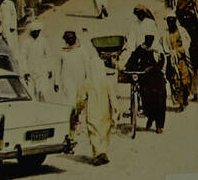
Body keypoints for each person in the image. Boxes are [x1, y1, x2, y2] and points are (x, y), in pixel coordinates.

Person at [56, 29, 112, 165]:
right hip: (67, 81)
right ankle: (70, 133)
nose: (70, 40)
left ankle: (99, 151)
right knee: (70, 107)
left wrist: (89, 79)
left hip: (81, 80)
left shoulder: (82, 50)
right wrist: (56, 82)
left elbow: (89, 66)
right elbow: (57, 67)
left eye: (71, 38)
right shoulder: (62, 52)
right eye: (67, 38)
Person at [125, 33, 168, 133]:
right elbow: (133, 59)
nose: (148, 43)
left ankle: (159, 125)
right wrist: (128, 67)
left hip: (157, 77)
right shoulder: (141, 48)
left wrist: (152, 68)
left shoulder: (158, 50)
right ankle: (150, 117)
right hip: (146, 78)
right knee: (146, 97)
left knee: (160, 100)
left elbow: (161, 64)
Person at [175, 0, 198, 104]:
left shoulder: (197, 19)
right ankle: (195, 93)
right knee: (192, 72)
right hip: (190, 47)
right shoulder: (184, 26)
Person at [18, 18, 55, 102]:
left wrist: (49, 69)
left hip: (42, 70)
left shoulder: (43, 41)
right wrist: (25, 71)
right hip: (30, 70)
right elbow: (22, 57)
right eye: (34, 31)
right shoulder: (26, 42)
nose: (36, 33)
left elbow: (49, 55)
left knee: (43, 91)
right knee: (31, 93)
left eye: (38, 31)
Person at [162, 15, 192, 108]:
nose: (170, 23)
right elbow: (164, 46)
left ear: (175, 21)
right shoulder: (165, 33)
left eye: (172, 21)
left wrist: (179, 50)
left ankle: (185, 97)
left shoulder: (182, 31)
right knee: (174, 81)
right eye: (168, 21)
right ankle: (180, 103)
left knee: (185, 80)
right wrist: (170, 53)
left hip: (182, 59)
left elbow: (187, 43)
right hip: (172, 60)